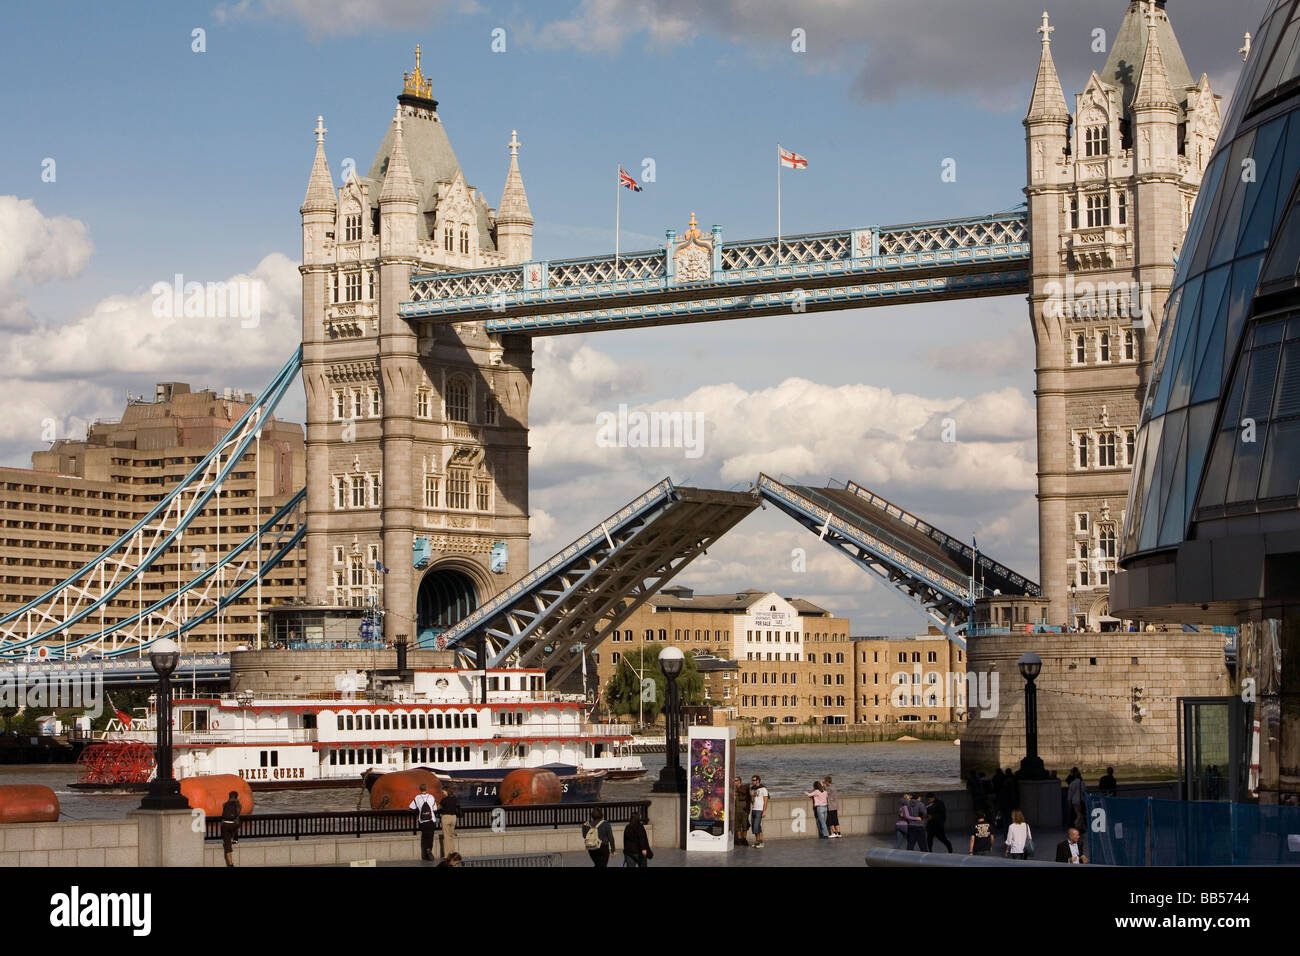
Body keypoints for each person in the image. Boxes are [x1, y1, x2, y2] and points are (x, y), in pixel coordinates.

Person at [409, 783, 439, 862]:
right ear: (426, 789)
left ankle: (425, 854)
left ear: (420, 789)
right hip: (431, 820)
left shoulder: (417, 797)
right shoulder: (431, 797)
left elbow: (411, 807)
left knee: (424, 837)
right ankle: (429, 850)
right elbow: (435, 809)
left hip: (422, 821)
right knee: (430, 837)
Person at [220, 790, 241, 868]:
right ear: (236, 797)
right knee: (238, 822)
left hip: (225, 825)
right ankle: (235, 839)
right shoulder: (238, 804)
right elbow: (238, 813)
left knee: (227, 845)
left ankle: (230, 864)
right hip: (234, 825)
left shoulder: (225, 804)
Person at [438, 788, 460, 858]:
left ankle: (447, 855)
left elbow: (438, 807)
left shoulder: (444, 800)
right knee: (450, 836)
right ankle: (453, 853)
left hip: (446, 817)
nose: (442, 793)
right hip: (453, 817)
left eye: (443, 792)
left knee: (446, 837)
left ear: (446, 791)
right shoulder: (455, 799)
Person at [749, 775, 769, 848]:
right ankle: (758, 841)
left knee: (756, 826)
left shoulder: (763, 789)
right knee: (755, 826)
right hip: (754, 809)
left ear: (758, 780)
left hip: (760, 810)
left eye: (754, 780)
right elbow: (752, 802)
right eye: (752, 780)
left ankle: (760, 842)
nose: (752, 781)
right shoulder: (753, 789)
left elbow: (766, 801)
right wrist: (751, 796)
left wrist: (764, 811)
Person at [733, 776, 752, 846]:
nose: (734, 782)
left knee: (745, 826)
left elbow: (750, 798)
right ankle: (740, 839)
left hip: (744, 810)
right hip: (736, 810)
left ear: (739, 781)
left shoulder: (745, 788)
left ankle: (744, 839)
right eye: (734, 781)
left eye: (735, 780)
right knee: (737, 827)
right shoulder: (733, 789)